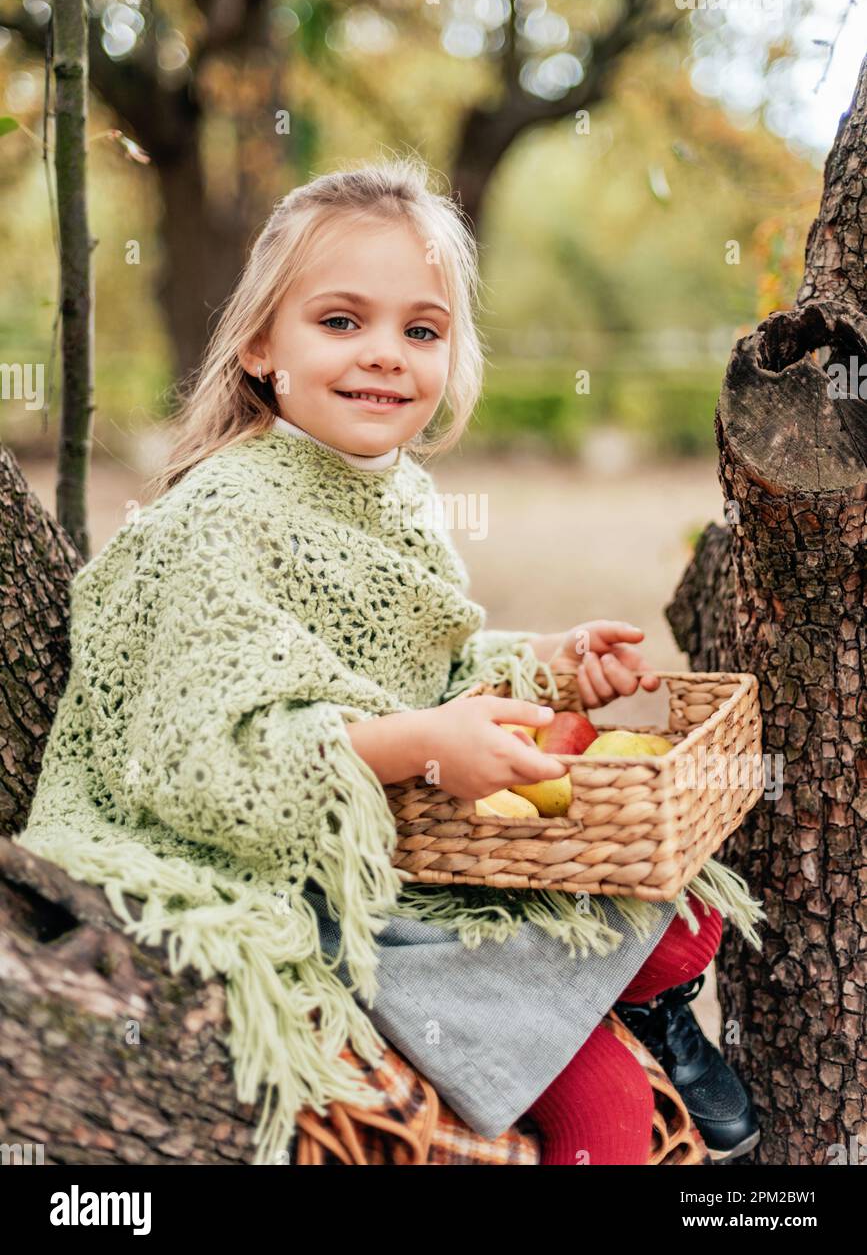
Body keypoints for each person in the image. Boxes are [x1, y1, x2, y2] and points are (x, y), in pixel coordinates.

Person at [17, 157, 766, 1166]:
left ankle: (656, 991)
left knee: (666, 885)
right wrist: (418, 745)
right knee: (600, 1100)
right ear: (258, 345)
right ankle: (582, 1020)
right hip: (282, 865)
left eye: (421, 330)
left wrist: (545, 666)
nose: (384, 356)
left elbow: (431, 665)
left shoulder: (396, 495)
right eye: (340, 321)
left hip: (396, 826)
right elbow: (201, 753)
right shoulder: (222, 518)